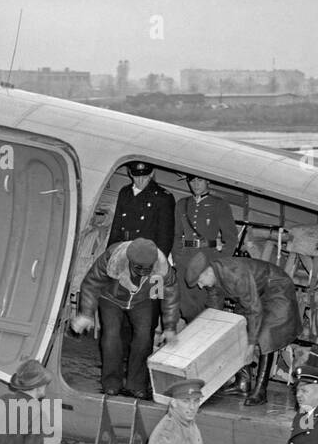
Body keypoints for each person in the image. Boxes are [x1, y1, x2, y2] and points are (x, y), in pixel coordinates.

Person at [183, 253, 301, 406]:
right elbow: (215, 307)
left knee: (266, 335)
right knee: (238, 329)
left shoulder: (235, 275)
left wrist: (251, 345)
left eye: (200, 281)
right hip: (254, 293)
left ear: (208, 272)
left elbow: (254, 310)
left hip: (276, 288)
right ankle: (243, 384)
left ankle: (260, 391)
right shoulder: (214, 276)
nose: (200, 286)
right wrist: (208, 332)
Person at [71, 238, 179, 400]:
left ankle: (137, 384)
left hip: (143, 301)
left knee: (144, 338)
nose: (143, 272)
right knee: (111, 337)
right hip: (111, 298)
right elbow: (91, 283)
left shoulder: (162, 266)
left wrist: (170, 326)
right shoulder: (112, 257)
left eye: (147, 269)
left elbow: (170, 293)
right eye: (138, 269)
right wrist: (86, 314)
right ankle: (111, 383)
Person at [172, 176, 238, 319]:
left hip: (208, 261)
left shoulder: (219, 204)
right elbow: (176, 234)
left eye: (200, 180)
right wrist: (177, 257)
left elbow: (231, 238)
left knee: (207, 308)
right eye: (192, 181)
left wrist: (218, 264)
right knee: (186, 306)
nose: (195, 184)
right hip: (185, 260)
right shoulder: (182, 204)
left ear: (208, 181)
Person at [107, 161, 175, 256]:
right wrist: (110, 253)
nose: (140, 181)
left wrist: (158, 261)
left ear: (151, 174)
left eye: (145, 177)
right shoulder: (125, 192)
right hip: (122, 251)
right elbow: (116, 227)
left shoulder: (163, 197)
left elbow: (165, 237)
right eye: (137, 176)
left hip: (146, 255)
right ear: (130, 173)